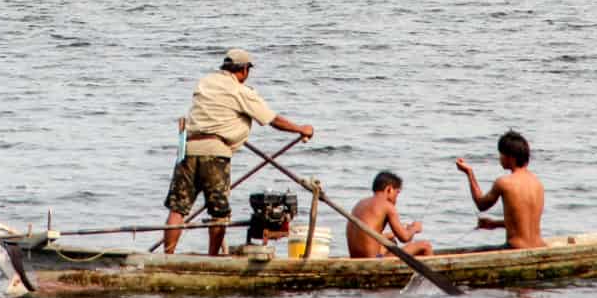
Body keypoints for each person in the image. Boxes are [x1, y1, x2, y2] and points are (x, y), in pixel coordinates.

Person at [162, 48, 315, 256]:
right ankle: (213, 259)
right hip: (215, 154)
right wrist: (301, 129)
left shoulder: (205, 82)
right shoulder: (240, 91)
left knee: (177, 209)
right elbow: (272, 119)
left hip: (188, 149)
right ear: (243, 70)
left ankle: (167, 257)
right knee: (219, 213)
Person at [455, 130, 545, 249]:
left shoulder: (504, 182)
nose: (500, 158)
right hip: (539, 246)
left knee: (467, 253)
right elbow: (524, 224)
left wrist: (469, 173)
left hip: (515, 248)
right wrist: (494, 224)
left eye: (501, 154)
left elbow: (481, 204)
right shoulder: (537, 183)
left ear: (510, 157)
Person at [347, 171, 433, 258]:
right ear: (389, 189)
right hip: (374, 261)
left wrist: (392, 234)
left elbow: (368, 235)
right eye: (397, 193)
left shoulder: (360, 203)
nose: (396, 198)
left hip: (356, 257)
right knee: (425, 246)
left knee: (391, 241)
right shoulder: (387, 205)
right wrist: (414, 228)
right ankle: (431, 272)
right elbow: (405, 238)